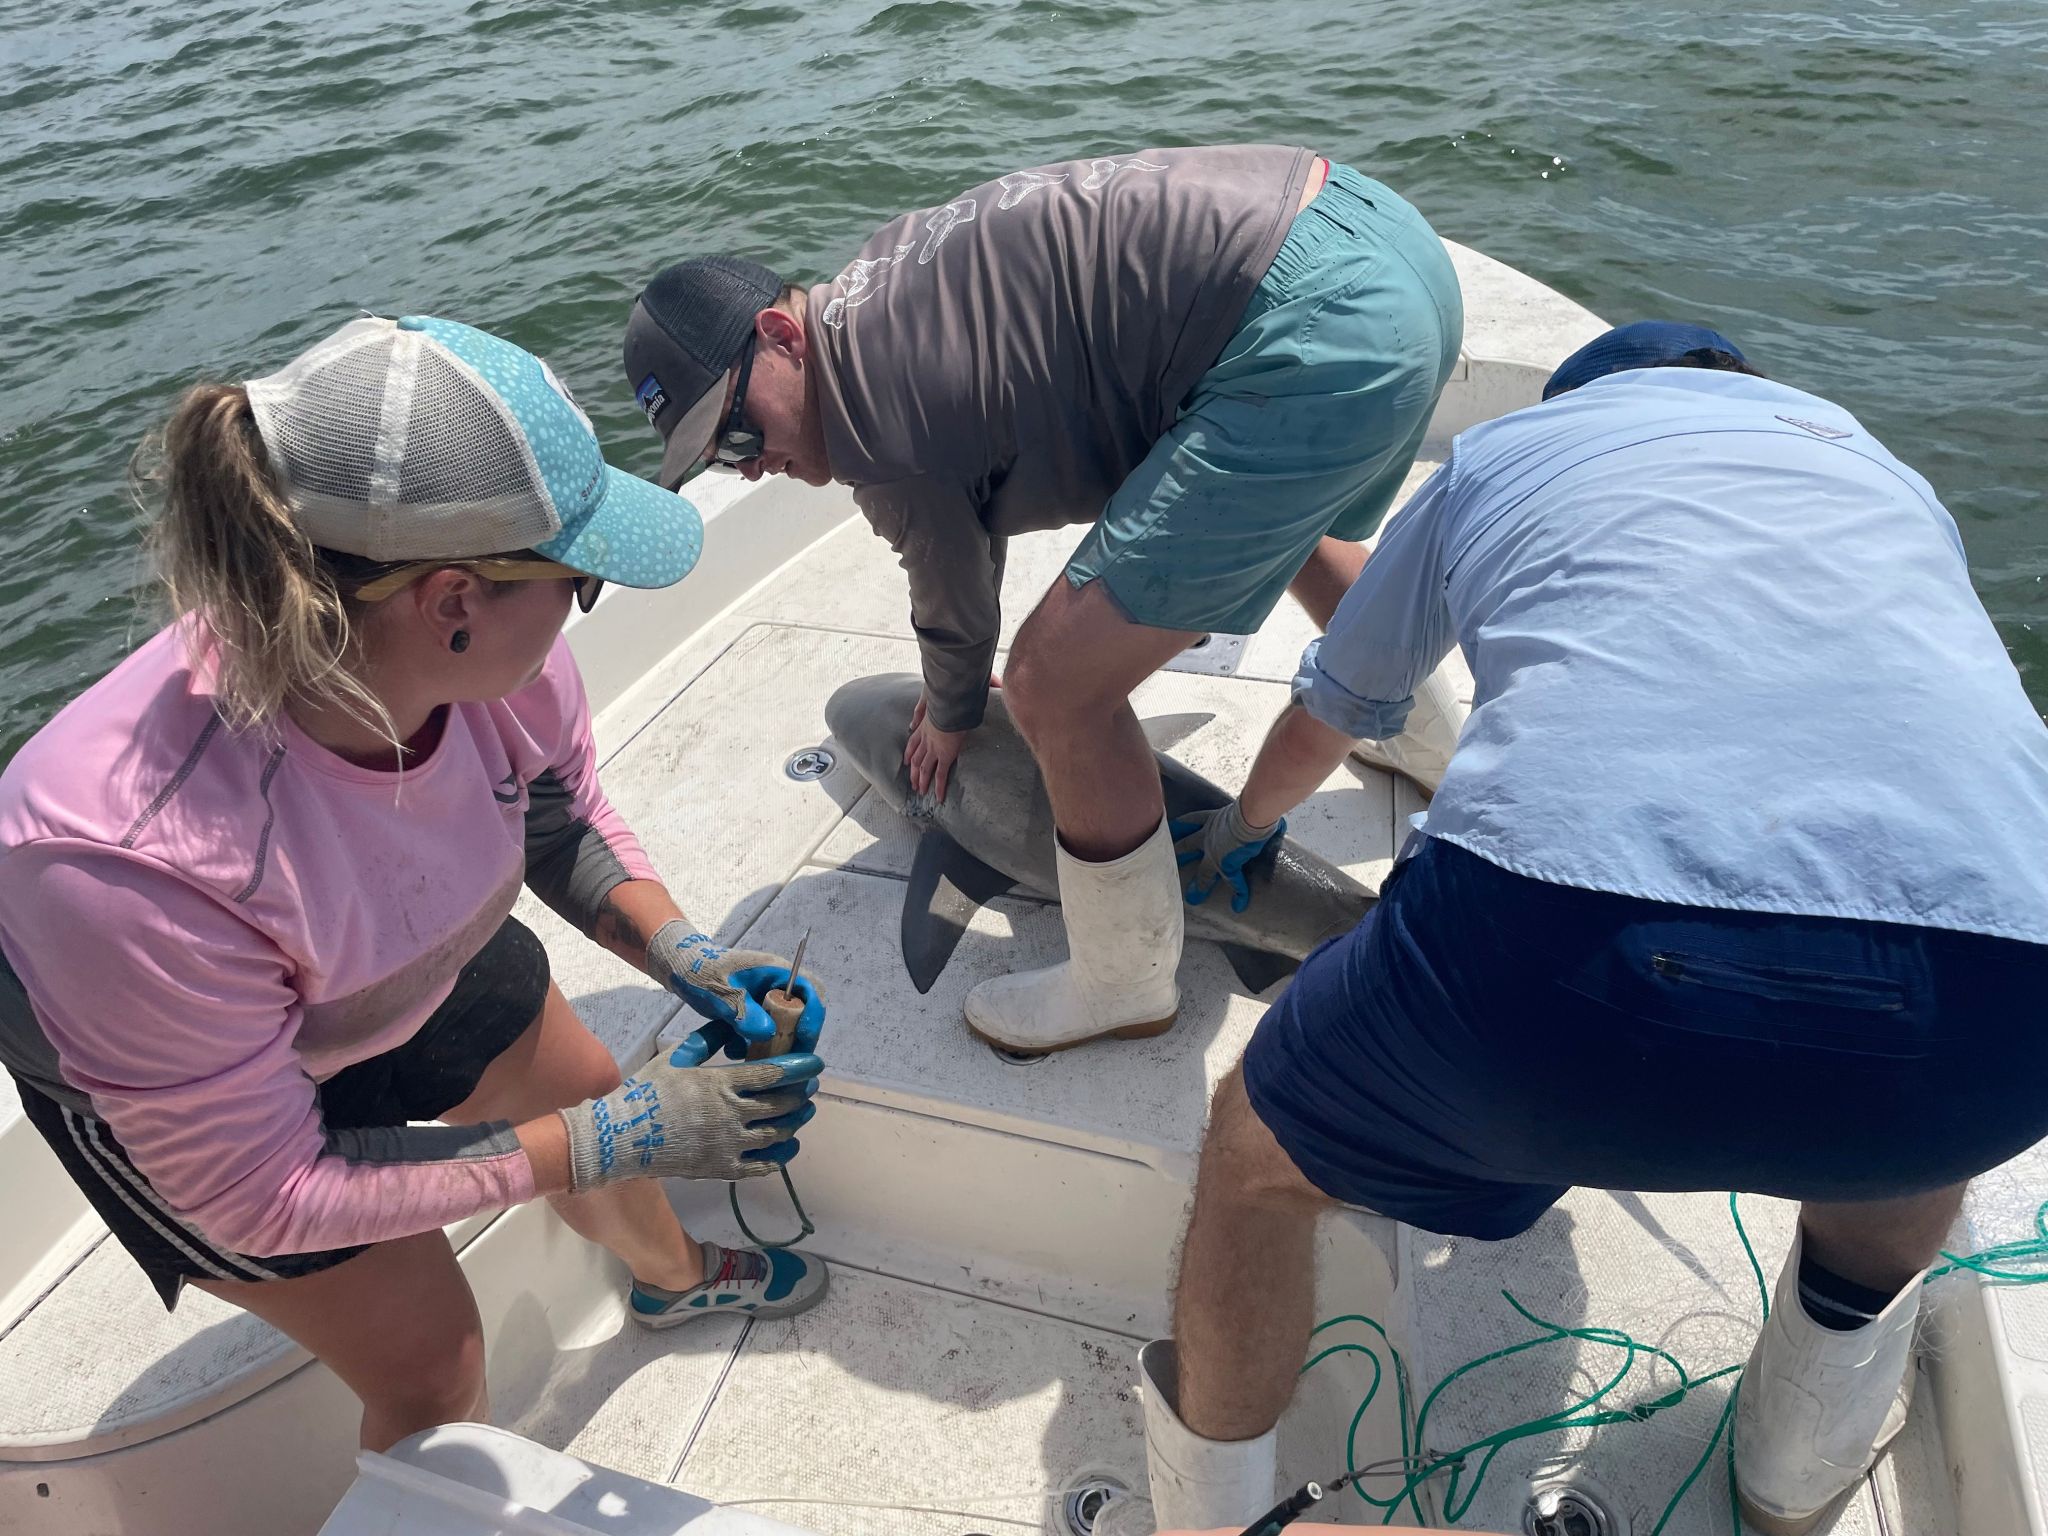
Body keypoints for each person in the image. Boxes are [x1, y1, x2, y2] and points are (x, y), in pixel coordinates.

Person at [1150, 322, 2048, 1535]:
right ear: (1745, 394)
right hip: (2005, 988)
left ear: (1576, 399)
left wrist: (1237, 838)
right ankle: (1789, 1482)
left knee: (1254, 1158)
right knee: (1907, 1151)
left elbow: (1338, 708)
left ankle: (1212, 1511)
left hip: (1563, 959)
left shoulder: (1508, 450)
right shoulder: (1877, 467)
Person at [0, 314, 831, 1454]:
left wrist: (680, 950)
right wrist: (600, 1144)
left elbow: (555, 812)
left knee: (584, 1089)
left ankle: (675, 1277)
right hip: (188, 1094)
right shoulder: (118, 861)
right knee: (436, 1367)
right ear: (452, 599)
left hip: (389, 941)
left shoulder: (493, 657)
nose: (587, 600)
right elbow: (266, 1192)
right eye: (577, 578)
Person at [620, 145, 1468, 1054]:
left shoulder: (869, 421)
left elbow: (953, 595)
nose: (750, 464)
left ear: (783, 339)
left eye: (740, 427)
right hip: (1379, 244)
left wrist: (948, 717)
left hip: (1311, 334)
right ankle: (1436, 748)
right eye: (720, 457)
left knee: (1053, 685)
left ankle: (1125, 981)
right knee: (1286, 516)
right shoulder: (875, 285)